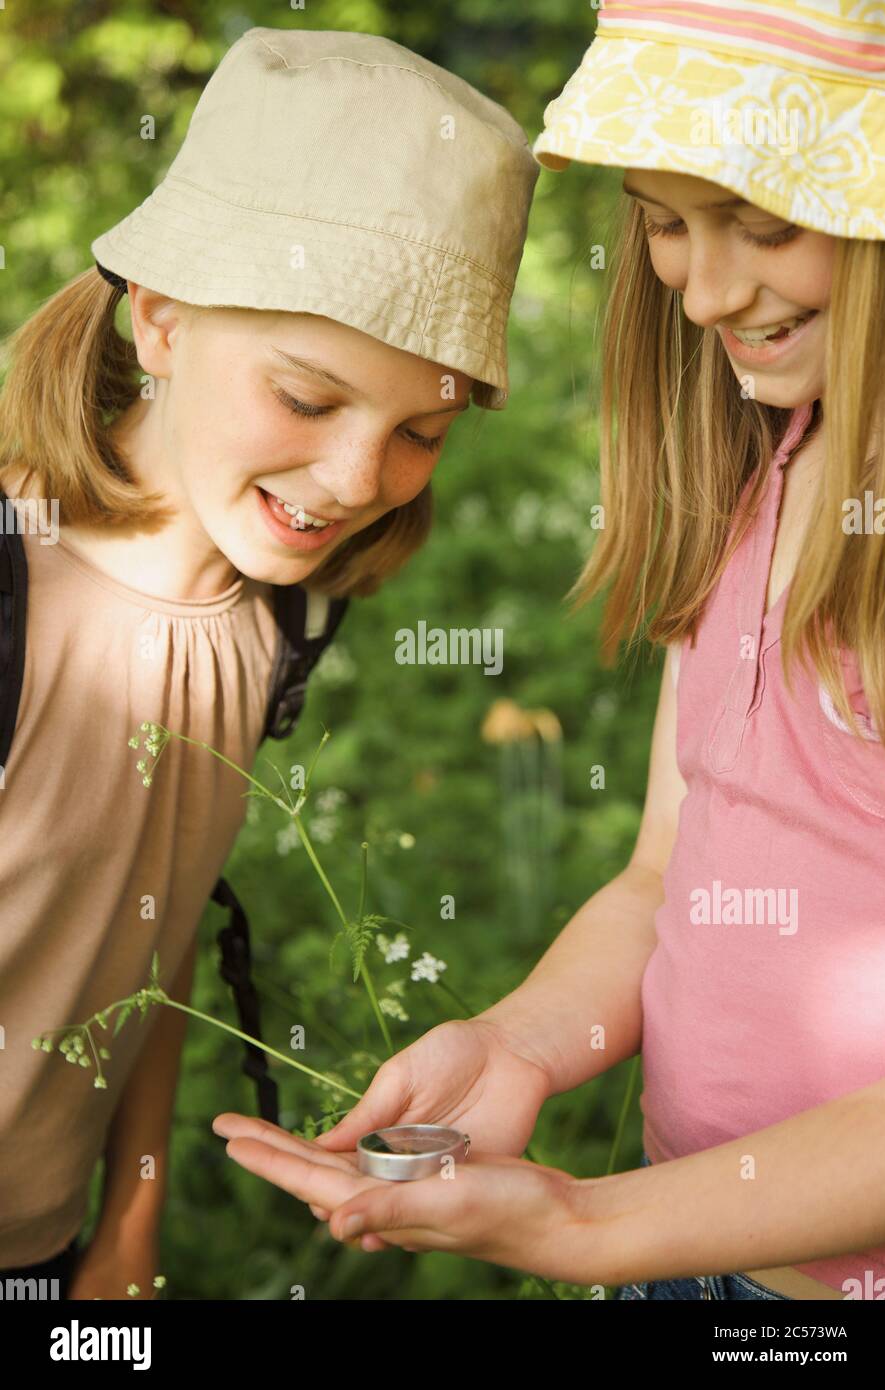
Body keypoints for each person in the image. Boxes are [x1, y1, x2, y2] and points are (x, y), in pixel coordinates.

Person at [213, 2, 885, 1302]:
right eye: (665, 220)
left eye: (764, 224)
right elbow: (661, 877)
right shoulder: (768, 473)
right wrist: (521, 1041)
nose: (702, 286)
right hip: (696, 1256)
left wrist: (592, 1225)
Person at [0, 26, 539, 1299]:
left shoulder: (268, 615)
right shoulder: (16, 592)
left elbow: (155, 916)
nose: (357, 482)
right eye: (306, 398)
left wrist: (130, 1221)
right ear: (163, 317)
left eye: (421, 430)